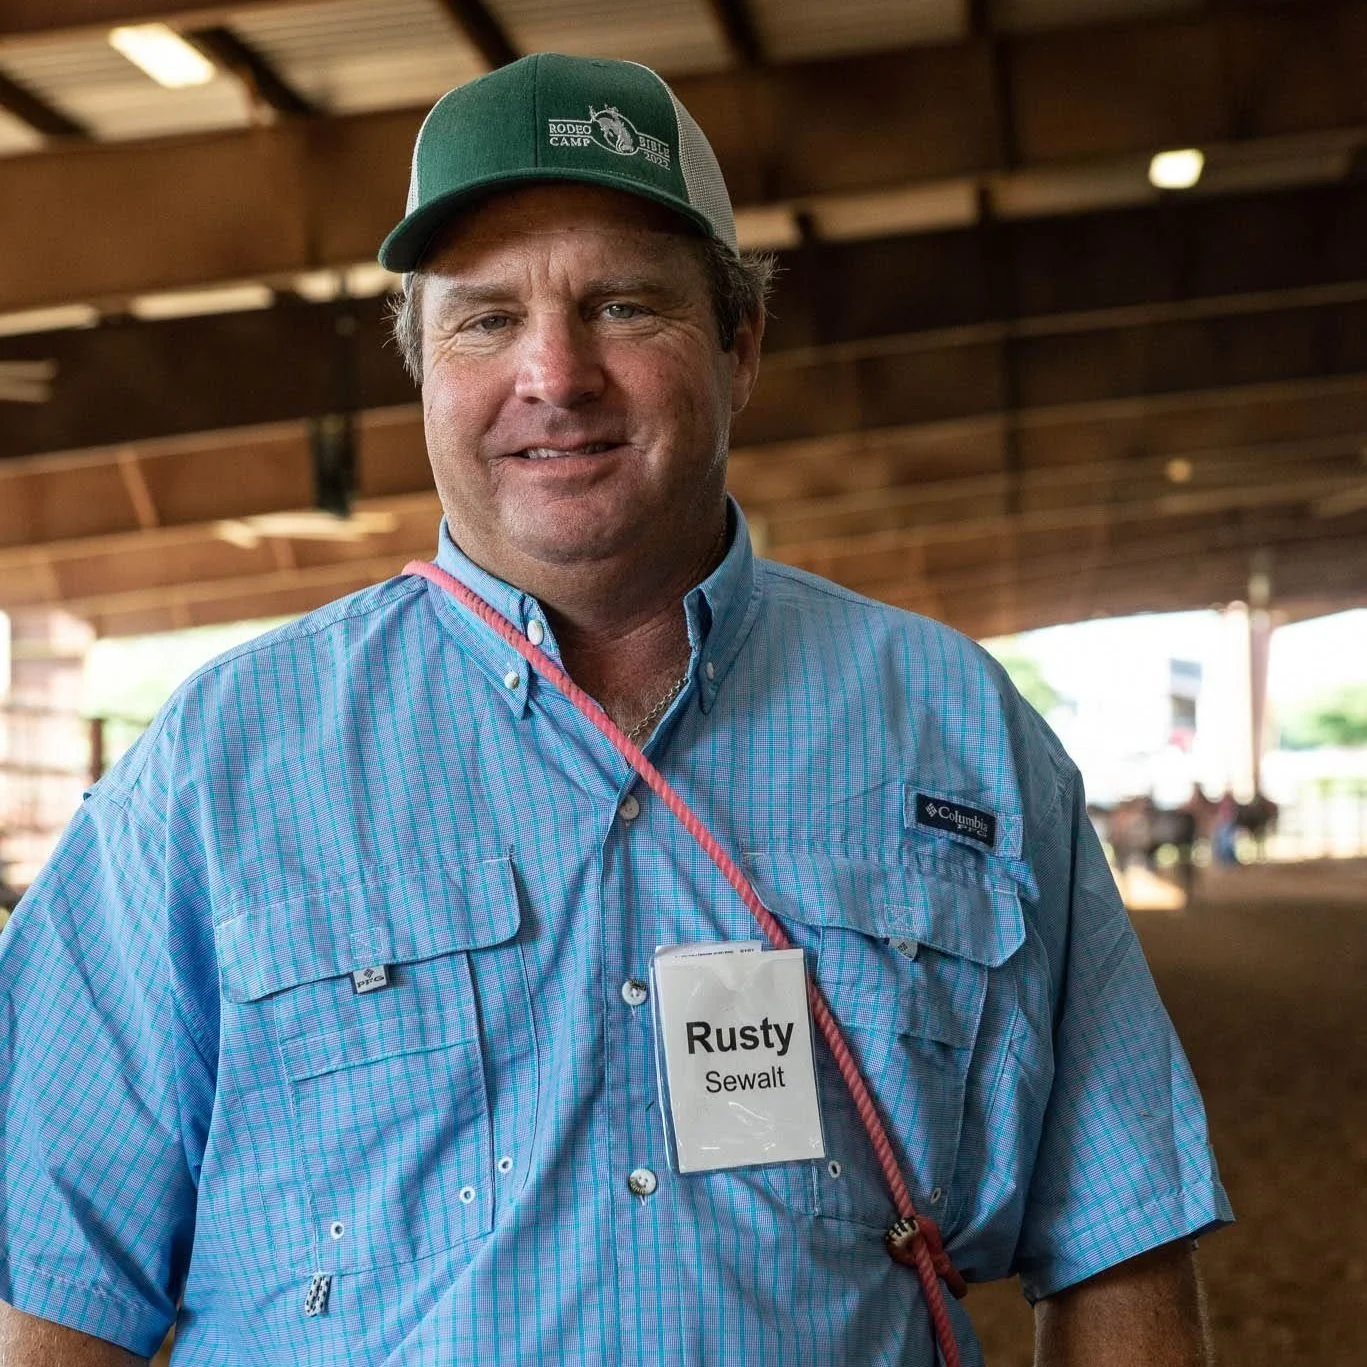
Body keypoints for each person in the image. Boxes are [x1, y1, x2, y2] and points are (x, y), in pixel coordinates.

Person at [0, 53, 1230, 1367]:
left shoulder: (954, 727)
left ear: (740, 345)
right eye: (482, 319)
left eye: (624, 305)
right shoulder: (221, 762)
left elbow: (1119, 1244)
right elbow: (53, 1291)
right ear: (421, 367)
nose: (555, 371)